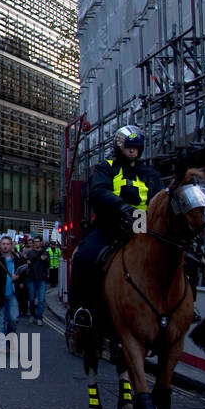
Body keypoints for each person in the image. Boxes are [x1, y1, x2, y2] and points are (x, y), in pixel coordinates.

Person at [67, 124, 164, 341]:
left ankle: (184, 307)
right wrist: (122, 207)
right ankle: (81, 310)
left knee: (180, 257)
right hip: (111, 225)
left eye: (136, 148)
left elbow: (159, 199)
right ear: (120, 147)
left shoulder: (151, 174)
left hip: (143, 228)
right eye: (129, 147)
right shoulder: (106, 167)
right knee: (84, 256)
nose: (133, 151)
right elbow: (98, 191)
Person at [0, 235, 24, 337]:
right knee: (0, 323)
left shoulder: (17, 259)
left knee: (14, 319)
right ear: (0, 245)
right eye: (3, 244)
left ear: (11, 245)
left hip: (13, 294)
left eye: (7, 244)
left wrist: (18, 278)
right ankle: (2, 344)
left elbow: (23, 275)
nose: (5, 246)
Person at [25, 240, 49, 325]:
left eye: (38, 241)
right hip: (31, 278)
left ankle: (39, 317)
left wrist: (45, 260)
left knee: (41, 300)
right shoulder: (30, 253)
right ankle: (32, 314)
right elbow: (26, 265)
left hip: (42, 279)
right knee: (31, 299)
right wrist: (27, 262)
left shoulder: (45, 253)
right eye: (35, 241)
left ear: (41, 243)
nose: (36, 243)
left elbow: (48, 266)